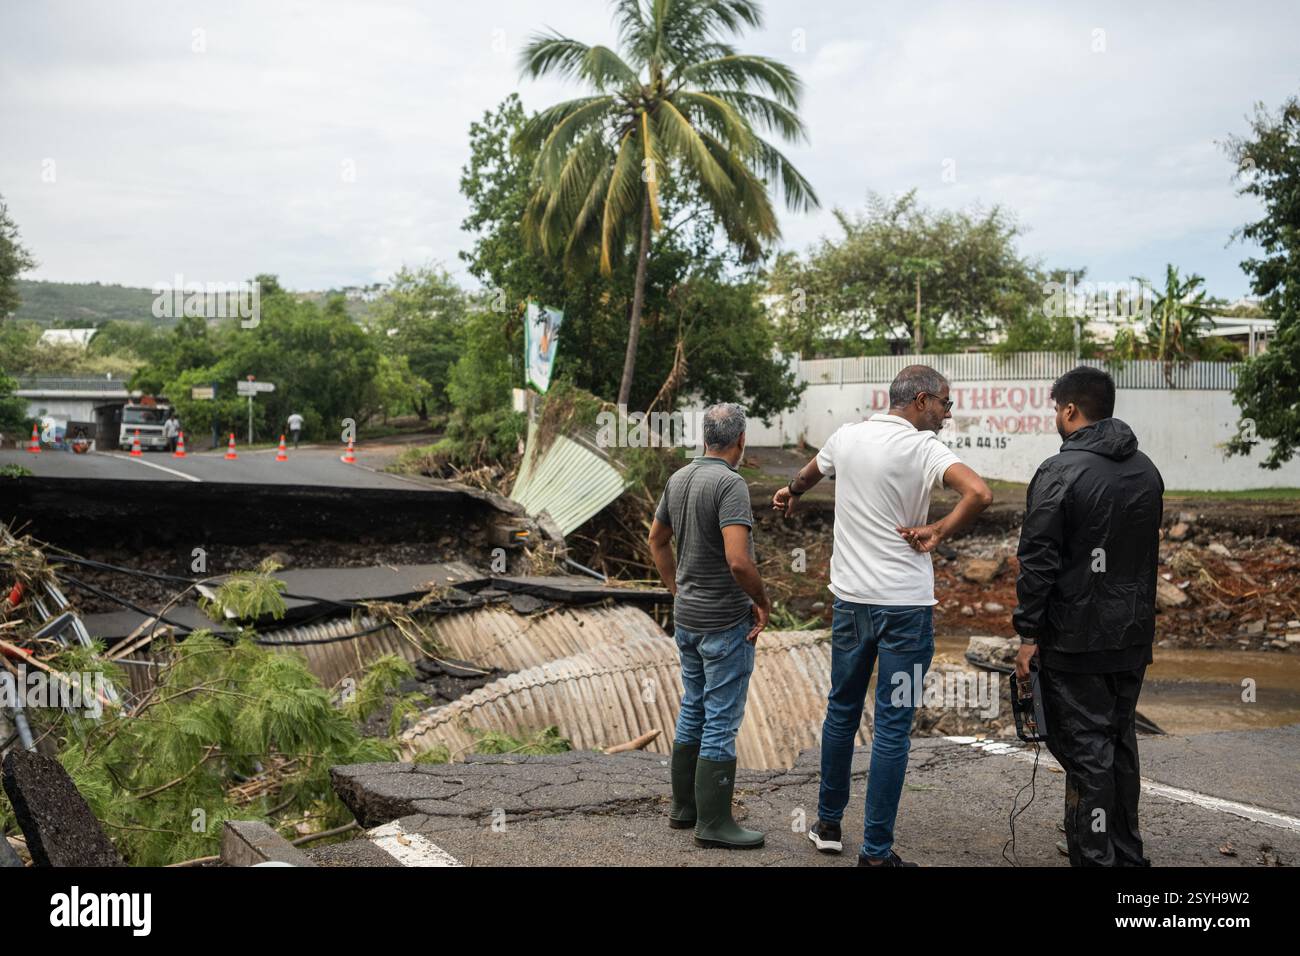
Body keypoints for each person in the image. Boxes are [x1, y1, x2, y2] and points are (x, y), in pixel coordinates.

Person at [773, 365, 992, 866]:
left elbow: (810, 473)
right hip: (907, 612)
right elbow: (978, 493)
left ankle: (828, 825)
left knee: (842, 712)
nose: (948, 412)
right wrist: (938, 529)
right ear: (920, 400)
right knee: (892, 729)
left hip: (852, 604)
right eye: (945, 403)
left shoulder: (847, 437)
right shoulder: (923, 447)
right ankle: (875, 853)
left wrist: (791, 493)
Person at [1012, 366, 1163, 867]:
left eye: (1057, 409)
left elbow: (1038, 561)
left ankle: (1096, 858)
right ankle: (1125, 853)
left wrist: (1028, 635)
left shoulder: (1060, 472)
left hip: (1076, 641)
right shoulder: (1146, 470)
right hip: (1131, 635)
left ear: (1070, 410)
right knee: (1118, 742)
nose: (1056, 417)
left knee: (1087, 753)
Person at [648, 403, 771, 849]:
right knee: (720, 718)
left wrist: (676, 589)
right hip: (724, 621)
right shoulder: (729, 484)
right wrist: (761, 601)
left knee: (694, 707)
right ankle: (714, 823)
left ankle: (685, 809)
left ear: (705, 437)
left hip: (688, 621)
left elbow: (656, 539)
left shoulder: (679, 479)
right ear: (740, 441)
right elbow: (739, 560)